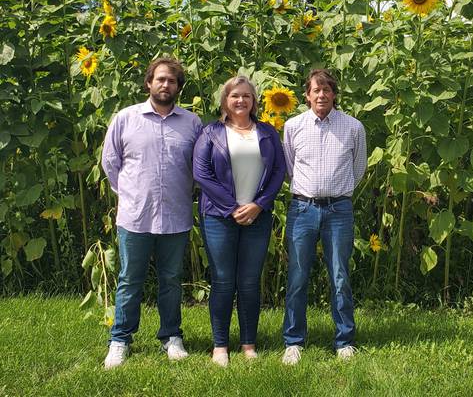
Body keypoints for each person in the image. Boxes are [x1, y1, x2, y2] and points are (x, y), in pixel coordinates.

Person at [101, 56, 202, 369]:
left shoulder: (192, 123)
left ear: (178, 87)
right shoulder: (126, 118)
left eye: (171, 81)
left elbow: (200, 166)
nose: (165, 85)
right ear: (148, 83)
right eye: (160, 79)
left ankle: (171, 337)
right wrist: (129, 194)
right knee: (130, 279)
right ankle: (120, 340)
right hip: (135, 216)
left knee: (171, 280)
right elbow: (110, 161)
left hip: (175, 215)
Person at [192, 75, 286, 366]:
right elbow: (201, 174)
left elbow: (278, 172)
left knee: (248, 282)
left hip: (257, 218)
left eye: (246, 96)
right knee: (222, 281)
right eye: (235, 96)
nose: (241, 101)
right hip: (219, 217)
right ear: (225, 101)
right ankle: (220, 345)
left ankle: (248, 344)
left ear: (254, 101)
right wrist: (233, 207)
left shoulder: (268, 133)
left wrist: (259, 205)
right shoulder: (211, 133)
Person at [281, 69, 366, 365]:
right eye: (316, 90)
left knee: (340, 275)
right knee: (297, 276)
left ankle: (344, 340)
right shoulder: (293, 126)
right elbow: (290, 167)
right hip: (302, 208)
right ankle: (293, 341)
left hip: (338, 210)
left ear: (334, 94)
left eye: (327, 90)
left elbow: (359, 169)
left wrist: (336, 192)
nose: (321, 95)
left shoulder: (353, 127)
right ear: (307, 95)